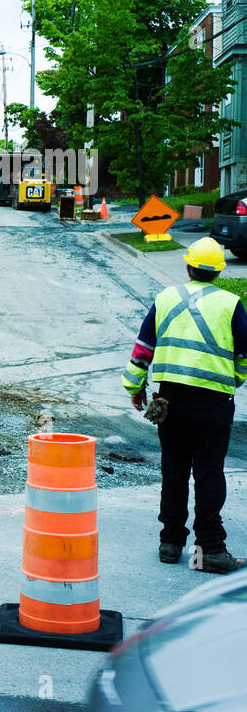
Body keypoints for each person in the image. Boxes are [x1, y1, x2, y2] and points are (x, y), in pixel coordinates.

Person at [122, 237, 247, 574]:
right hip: (214, 402)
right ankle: (210, 549)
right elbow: (244, 355)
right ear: (219, 271)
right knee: (208, 472)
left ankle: (170, 541)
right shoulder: (232, 304)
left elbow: (143, 348)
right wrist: (234, 380)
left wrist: (135, 388)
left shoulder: (166, 298)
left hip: (169, 399)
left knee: (174, 470)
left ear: (188, 266)